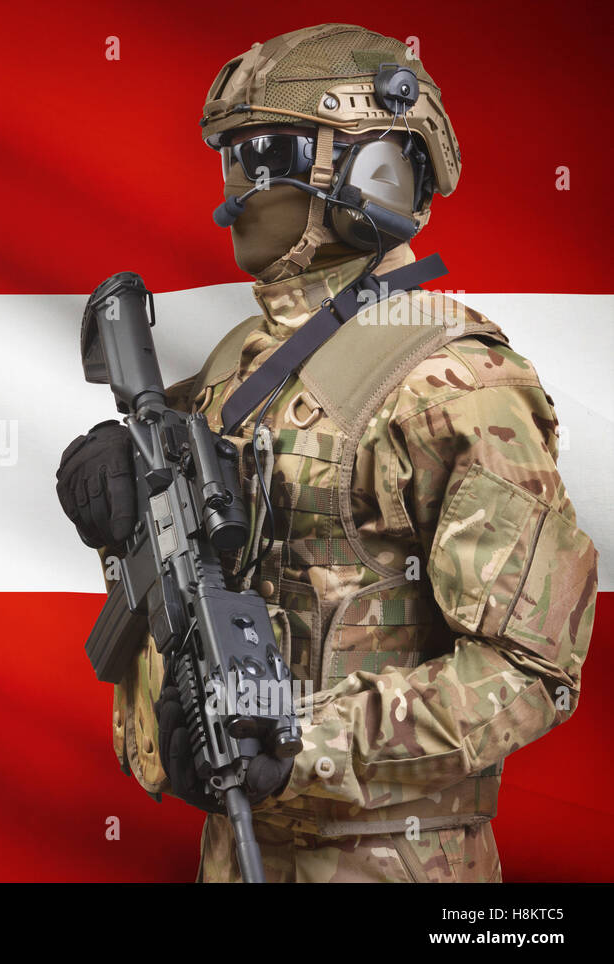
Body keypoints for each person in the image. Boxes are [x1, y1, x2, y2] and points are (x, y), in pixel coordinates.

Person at [55, 23, 598, 882]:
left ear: (364, 171)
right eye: (231, 155)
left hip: (395, 864)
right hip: (236, 851)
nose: (235, 185)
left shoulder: (456, 380)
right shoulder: (243, 358)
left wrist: (300, 740)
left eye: (260, 151)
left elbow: (529, 669)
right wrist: (115, 497)